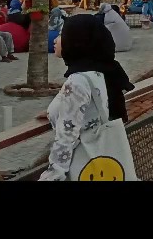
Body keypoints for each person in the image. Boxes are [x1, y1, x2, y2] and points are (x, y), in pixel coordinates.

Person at [39, 13, 135, 180]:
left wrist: (53, 175)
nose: (55, 40)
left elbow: (66, 135)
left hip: (85, 160)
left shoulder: (77, 81)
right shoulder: (101, 72)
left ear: (77, 41)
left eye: (62, 34)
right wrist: (60, 107)